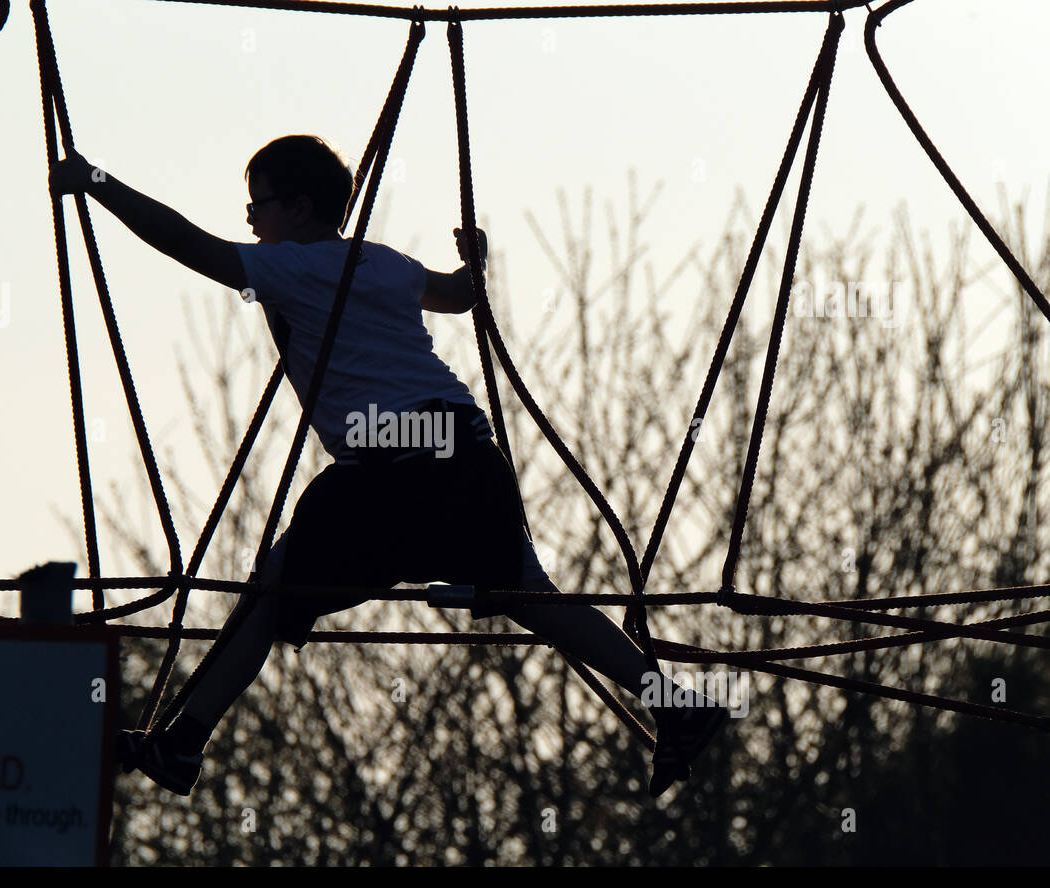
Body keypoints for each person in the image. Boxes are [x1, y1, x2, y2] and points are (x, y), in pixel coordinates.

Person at [49, 134, 725, 799]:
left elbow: (192, 246)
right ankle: (674, 704)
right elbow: (456, 294)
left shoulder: (294, 266)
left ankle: (184, 740)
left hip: (397, 464)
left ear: (302, 208)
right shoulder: (384, 263)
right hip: (463, 449)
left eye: (259, 204)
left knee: (276, 586)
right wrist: (475, 265)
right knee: (527, 591)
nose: (250, 218)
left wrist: (97, 183)